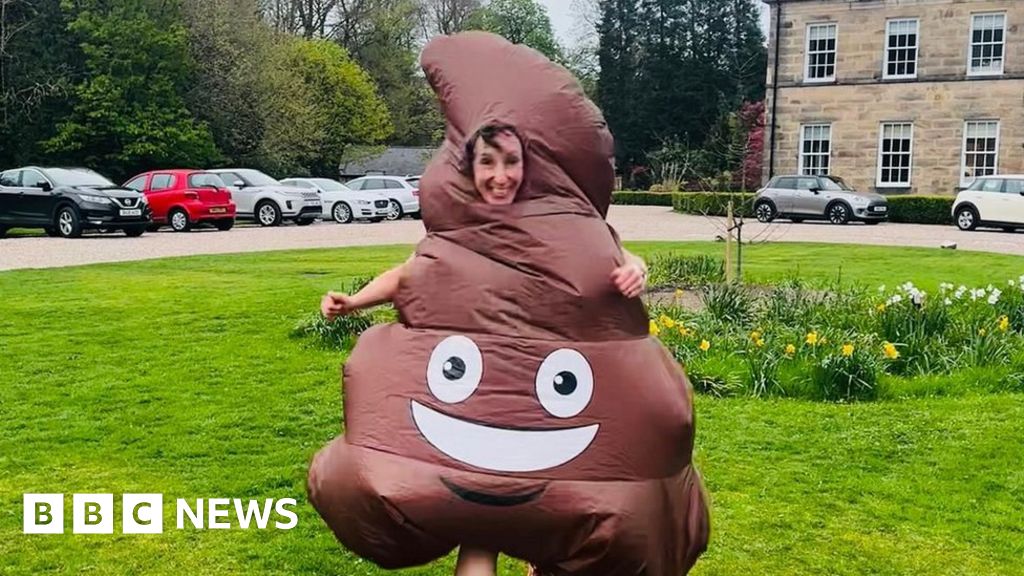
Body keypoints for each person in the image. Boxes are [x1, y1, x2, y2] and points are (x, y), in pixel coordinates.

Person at [319, 123, 648, 576]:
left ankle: (542, 559)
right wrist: (354, 301)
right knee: (481, 521)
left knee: (547, 501)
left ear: (526, 167)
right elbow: (411, 273)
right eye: (487, 163)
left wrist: (635, 268)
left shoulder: (554, 221)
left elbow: (613, 252)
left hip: (544, 391)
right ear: (471, 170)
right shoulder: (462, 228)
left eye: (511, 162)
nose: (500, 175)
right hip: (484, 393)